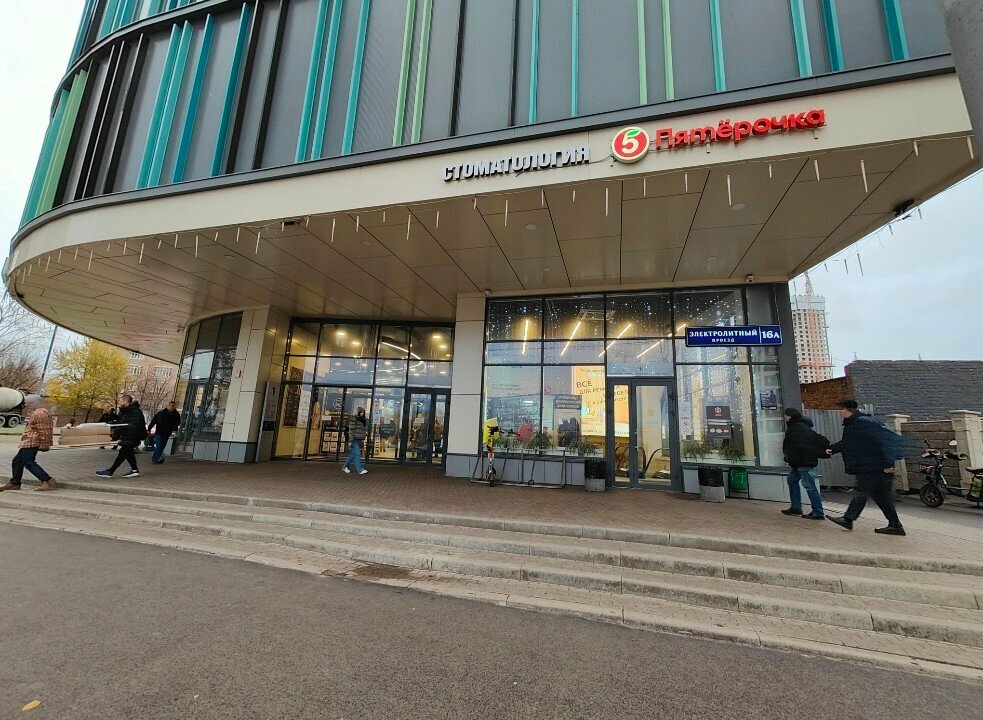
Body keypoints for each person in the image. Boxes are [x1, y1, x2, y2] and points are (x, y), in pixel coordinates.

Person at [827, 399, 906, 535]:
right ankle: (895, 525)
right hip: (875, 464)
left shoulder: (861, 423)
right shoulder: (860, 422)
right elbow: (852, 443)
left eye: (841, 409)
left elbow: (876, 443)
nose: (840, 412)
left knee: (862, 490)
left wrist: (888, 463)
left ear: (846, 409)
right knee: (881, 496)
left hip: (873, 465)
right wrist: (833, 448)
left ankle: (848, 519)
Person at [781, 407, 830, 519]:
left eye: (785, 415)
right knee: (792, 480)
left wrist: (788, 459)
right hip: (801, 461)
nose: (784, 417)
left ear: (789, 416)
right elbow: (818, 438)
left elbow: (793, 446)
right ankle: (796, 507)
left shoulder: (796, 428)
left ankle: (818, 512)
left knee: (809, 486)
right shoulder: (804, 426)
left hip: (802, 461)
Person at [1, 395, 56, 492]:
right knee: (17, 461)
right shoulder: (39, 412)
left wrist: (45, 445)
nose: (26, 405)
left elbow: (45, 431)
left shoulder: (40, 414)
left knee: (28, 462)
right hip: (29, 442)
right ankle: (15, 483)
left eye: (27, 403)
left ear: (33, 403)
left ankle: (47, 481)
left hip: (32, 442)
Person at [96, 395, 147, 479]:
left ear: (125, 401)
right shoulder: (123, 411)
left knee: (123, 452)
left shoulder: (135, 412)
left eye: (120, 401)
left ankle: (110, 471)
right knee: (128, 453)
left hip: (133, 437)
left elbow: (133, 426)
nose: (119, 402)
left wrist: (123, 436)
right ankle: (134, 470)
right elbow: (120, 425)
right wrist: (114, 435)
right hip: (127, 437)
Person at [342, 407, 369, 475]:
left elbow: (364, 429)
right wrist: (350, 440)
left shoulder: (364, 420)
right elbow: (351, 430)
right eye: (361, 412)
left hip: (359, 438)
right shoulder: (354, 419)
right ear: (358, 412)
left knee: (353, 454)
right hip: (354, 438)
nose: (362, 413)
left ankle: (345, 467)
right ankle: (360, 469)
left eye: (363, 412)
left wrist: (364, 435)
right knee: (357, 453)